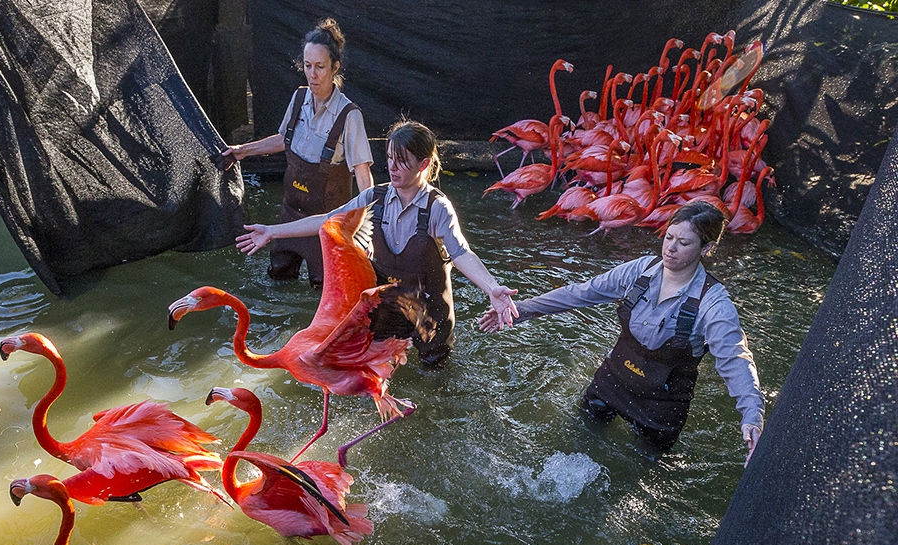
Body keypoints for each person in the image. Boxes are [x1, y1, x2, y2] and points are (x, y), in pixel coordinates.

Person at [481, 200, 764, 462]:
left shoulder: (713, 303)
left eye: (684, 243)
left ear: (705, 249)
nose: (670, 249)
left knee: (640, 469)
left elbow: (735, 356)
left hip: (662, 405)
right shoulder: (640, 271)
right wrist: (517, 312)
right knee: (578, 440)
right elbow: (579, 294)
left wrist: (752, 413)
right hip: (614, 380)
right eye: (668, 237)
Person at [236, 119, 516, 368]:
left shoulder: (438, 208)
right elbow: (328, 220)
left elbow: (461, 253)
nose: (392, 167)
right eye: (390, 158)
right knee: (374, 368)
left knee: (435, 372)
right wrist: (272, 231)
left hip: (430, 312)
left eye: (402, 160)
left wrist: (492, 288)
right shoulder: (375, 197)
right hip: (387, 307)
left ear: (424, 164)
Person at [221, 19, 373, 287]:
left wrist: (367, 230)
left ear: (335, 67)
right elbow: (283, 139)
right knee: (277, 280)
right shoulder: (299, 98)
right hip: (289, 217)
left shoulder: (350, 117)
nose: (312, 74)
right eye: (307, 66)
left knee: (321, 289)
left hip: (326, 228)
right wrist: (242, 151)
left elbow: (364, 179)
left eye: (320, 67)